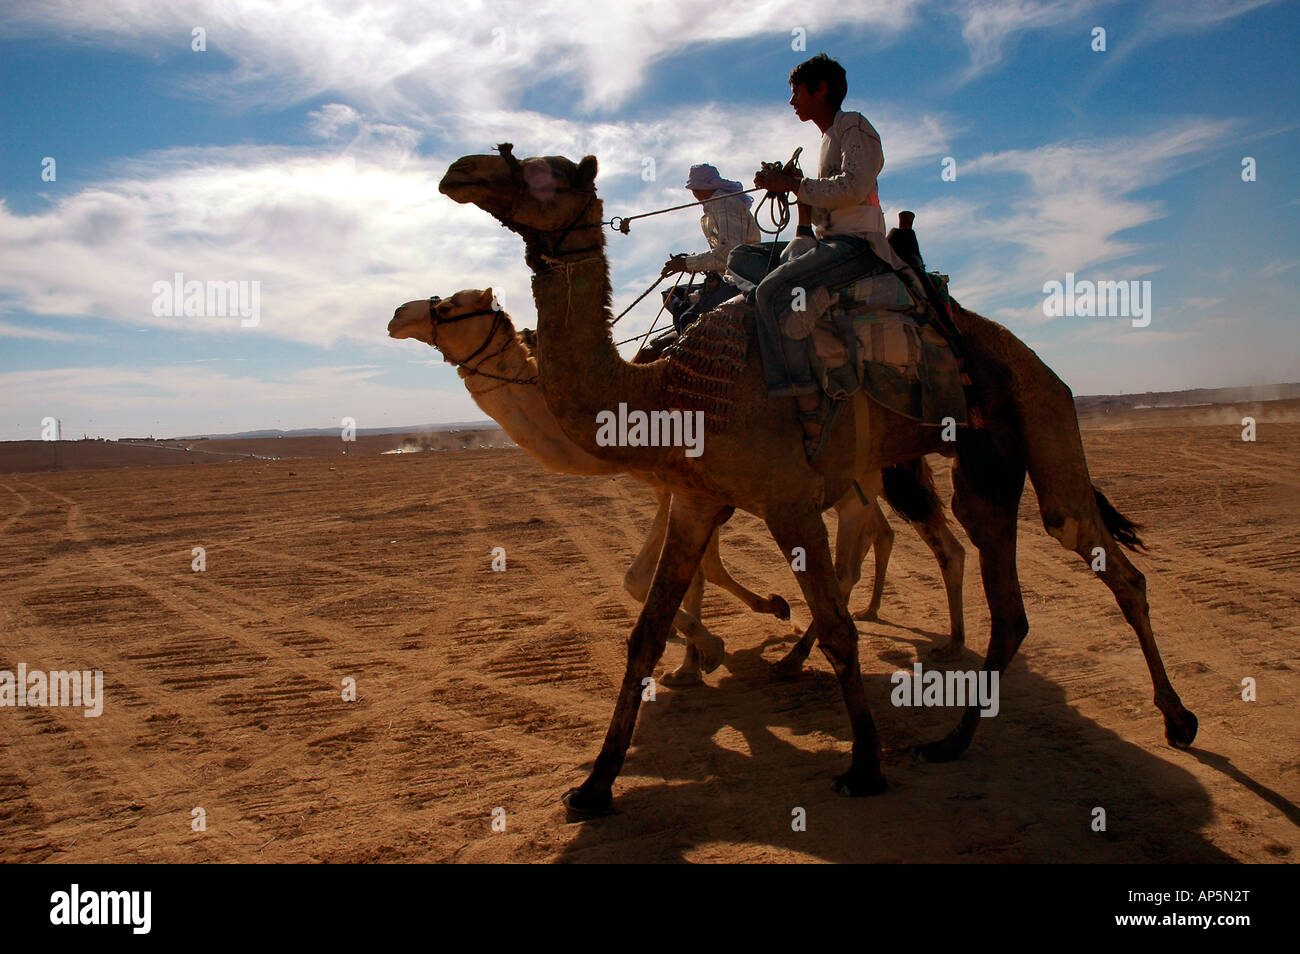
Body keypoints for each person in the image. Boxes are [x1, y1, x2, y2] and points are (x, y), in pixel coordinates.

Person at [727, 53, 907, 458]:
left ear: (820, 90)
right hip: (826, 243)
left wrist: (794, 184)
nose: (792, 102)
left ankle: (801, 403)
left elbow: (855, 187)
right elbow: (817, 195)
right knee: (740, 257)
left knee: (771, 293)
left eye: (796, 93)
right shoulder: (827, 138)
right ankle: (811, 298)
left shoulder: (855, 127)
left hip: (857, 244)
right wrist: (791, 188)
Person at [661, 164, 761, 332]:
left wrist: (686, 264)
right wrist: (687, 263)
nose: (694, 192)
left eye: (694, 188)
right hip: (725, 277)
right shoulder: (714, 207)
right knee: (670, 294)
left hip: (741, 279)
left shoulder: (726, 203)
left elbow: (729, 253)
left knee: (688, 320)